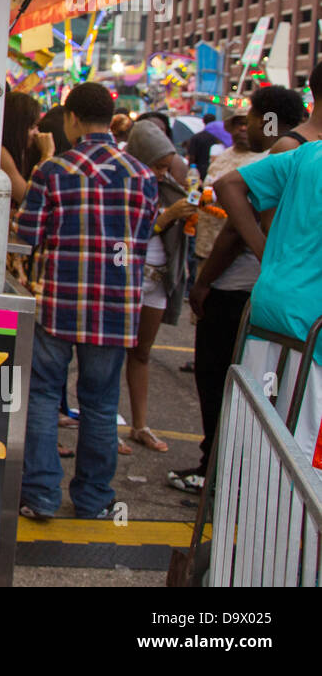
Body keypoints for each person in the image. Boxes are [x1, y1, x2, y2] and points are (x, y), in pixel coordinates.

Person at [15, 82, 159, 520]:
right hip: (115, 310)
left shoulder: (53, 172)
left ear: (72, 120)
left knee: (41, 396)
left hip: (59, 304)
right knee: (100, 404)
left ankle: (40, 495)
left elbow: (26, 236)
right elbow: (141, 237)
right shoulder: (142, 175)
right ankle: (94, 499)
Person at [173, 89, 309, 492]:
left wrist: (205, 280)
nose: (246, 125)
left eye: (250, 115)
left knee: (223, 382)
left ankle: (216, 471)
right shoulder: (304, 149)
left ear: (268, 119)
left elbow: (237, 222)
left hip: (246, 292)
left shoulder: (289, 149)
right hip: (281, 298)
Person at [215, 132, 322, 457]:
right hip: (313, 321)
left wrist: (270, 256)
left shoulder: (308, 154)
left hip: (272, 304)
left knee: (252, 438)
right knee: (302, 458)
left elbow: (227, 184)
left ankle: (245, 507)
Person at [119, 119, 197, 455]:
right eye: (158, 167)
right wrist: (167, 218)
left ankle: (140, 424)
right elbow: (125, 238)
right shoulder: (120, 184)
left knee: (142, 353)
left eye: (167, 167)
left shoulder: (167, 188)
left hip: (157, 281)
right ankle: (108, 426)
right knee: (108, 358)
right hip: (127, 278)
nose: (163, 174)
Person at [0, 90, 53, 206]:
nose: (37, 133)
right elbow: (31, 200)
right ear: (16, 127)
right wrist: (47, 155)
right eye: (32, 127)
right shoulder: (1, 154)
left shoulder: (21, 152)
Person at [184, 113, 220, 181]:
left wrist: (190, 169)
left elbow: (191, 156)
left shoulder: (196, 137)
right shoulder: (218, 139)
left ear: (203, 121)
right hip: (213, 172)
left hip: (198, 171)